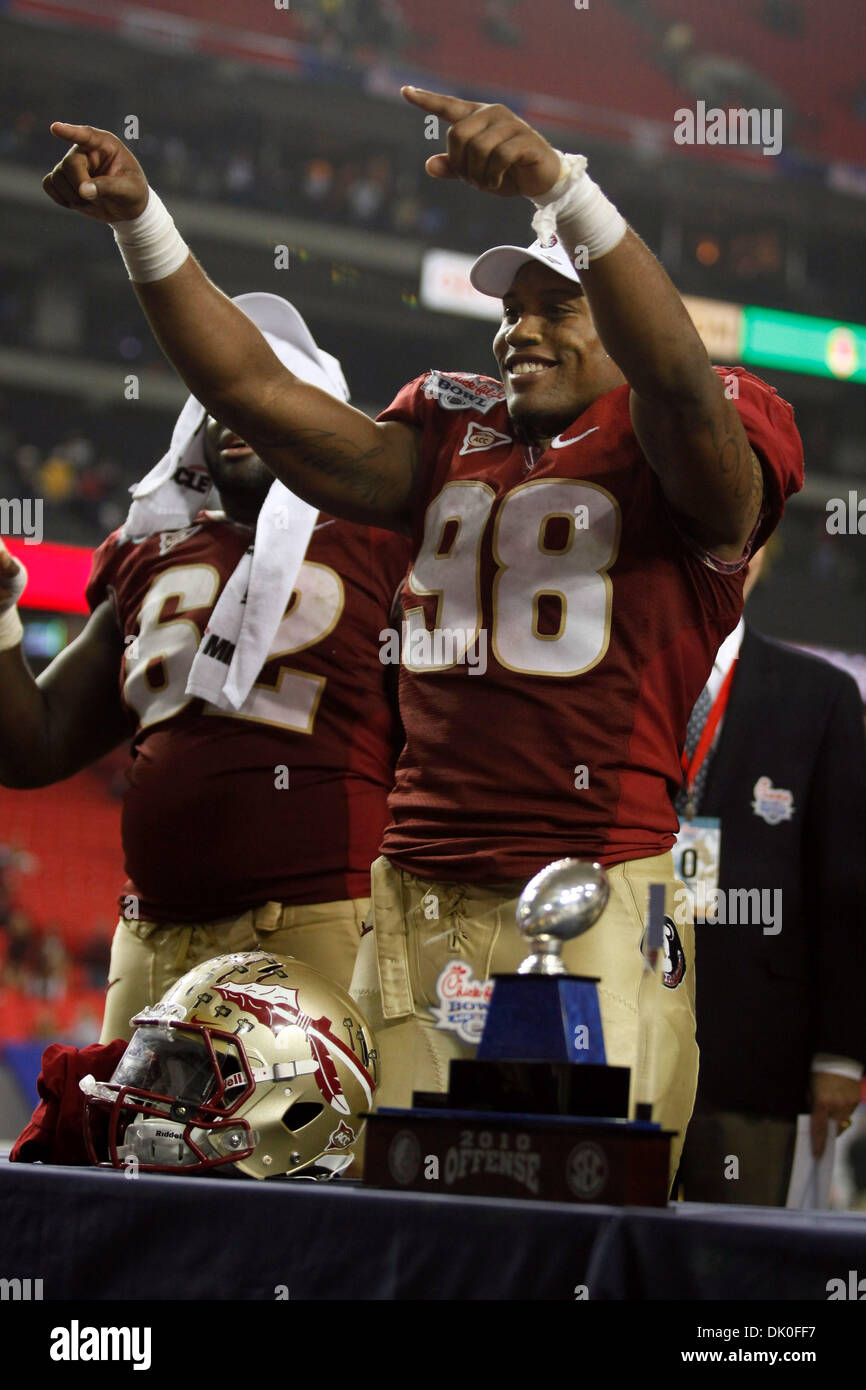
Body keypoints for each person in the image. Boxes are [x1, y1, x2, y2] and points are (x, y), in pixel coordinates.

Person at [41, 88, 803, 1174]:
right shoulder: (448, 428)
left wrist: (564, 189)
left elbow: (678, 390)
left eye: (558, 306)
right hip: (410, 904)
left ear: (624, 324)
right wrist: (140, 223)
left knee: (575, 1223)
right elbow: (255, 389)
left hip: (587, 890)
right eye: (511, 308)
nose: (519, 328)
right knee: (391, 1223)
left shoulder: (688, 428)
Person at [0, 293, 411, 1043]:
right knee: (129, 1147)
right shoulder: (148, 553)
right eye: (215, 402)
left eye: (261, 393)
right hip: (153, 933)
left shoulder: (384, 542)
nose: (232, 416)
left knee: (299, 1157)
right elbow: (33, 745)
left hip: (317, 922)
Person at [675, 547, 866, 1204]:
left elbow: (845, 888)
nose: (728, 554)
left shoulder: (822, 697)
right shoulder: (615, 679)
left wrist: (840, 1053)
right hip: (610, 1035)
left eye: (746, 539)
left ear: (768, 555)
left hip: (751, 1051)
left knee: (727, 1278)